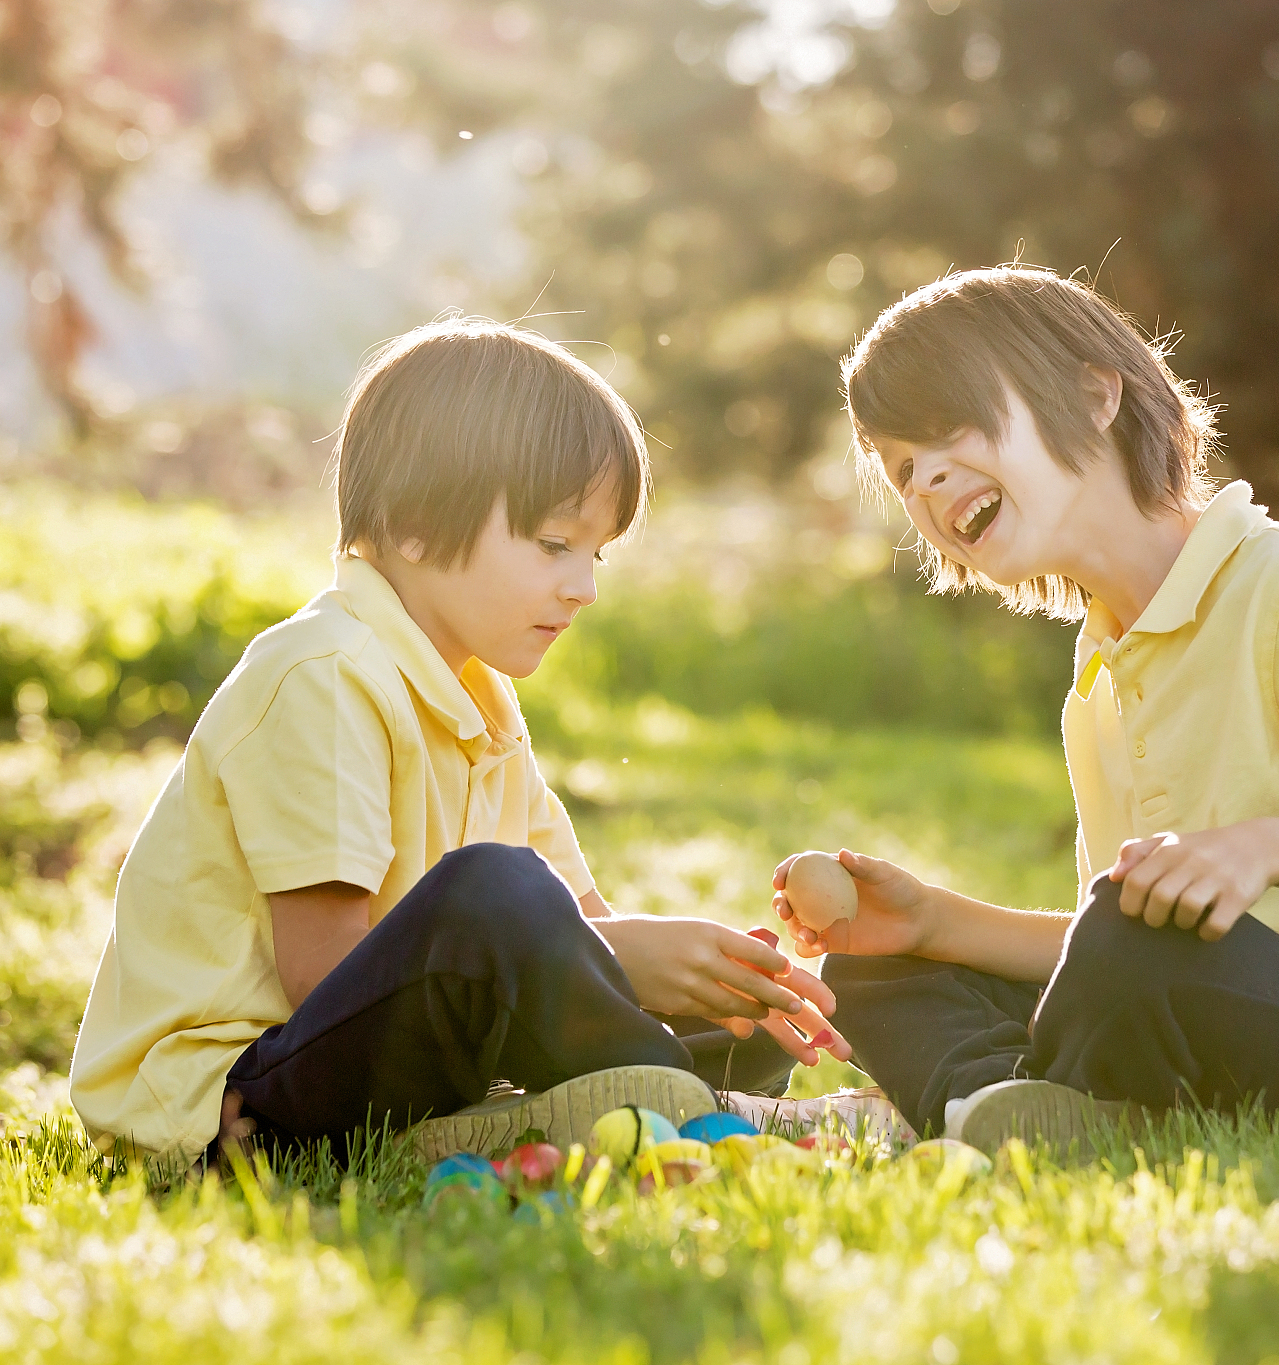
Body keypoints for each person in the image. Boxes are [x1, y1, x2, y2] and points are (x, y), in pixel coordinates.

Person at [775, 266, 1279, 1152]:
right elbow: (1105, 949)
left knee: (1127, 936)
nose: (928, 479)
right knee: (879, 966)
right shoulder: (1101, 671)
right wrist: (931, 924)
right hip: (1194, 1012)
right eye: (904, 467)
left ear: (1095, 394)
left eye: (950, 427)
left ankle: (1008, 1100)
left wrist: (1257, 849)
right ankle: (999, 1112)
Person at [71, 318, 857, 1164]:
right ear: (413, 523)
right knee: (494, 887)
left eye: (596, 553)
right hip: (237, 1108)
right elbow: (326, 984)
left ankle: (658, 1087)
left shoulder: (482, 700)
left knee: (704, 998)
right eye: (556, 543)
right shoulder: (326, 674)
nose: (584, 586)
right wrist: (619, 958)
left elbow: (577, 932)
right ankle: (697, 1113)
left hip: (382, 1066)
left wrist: (699, 969)